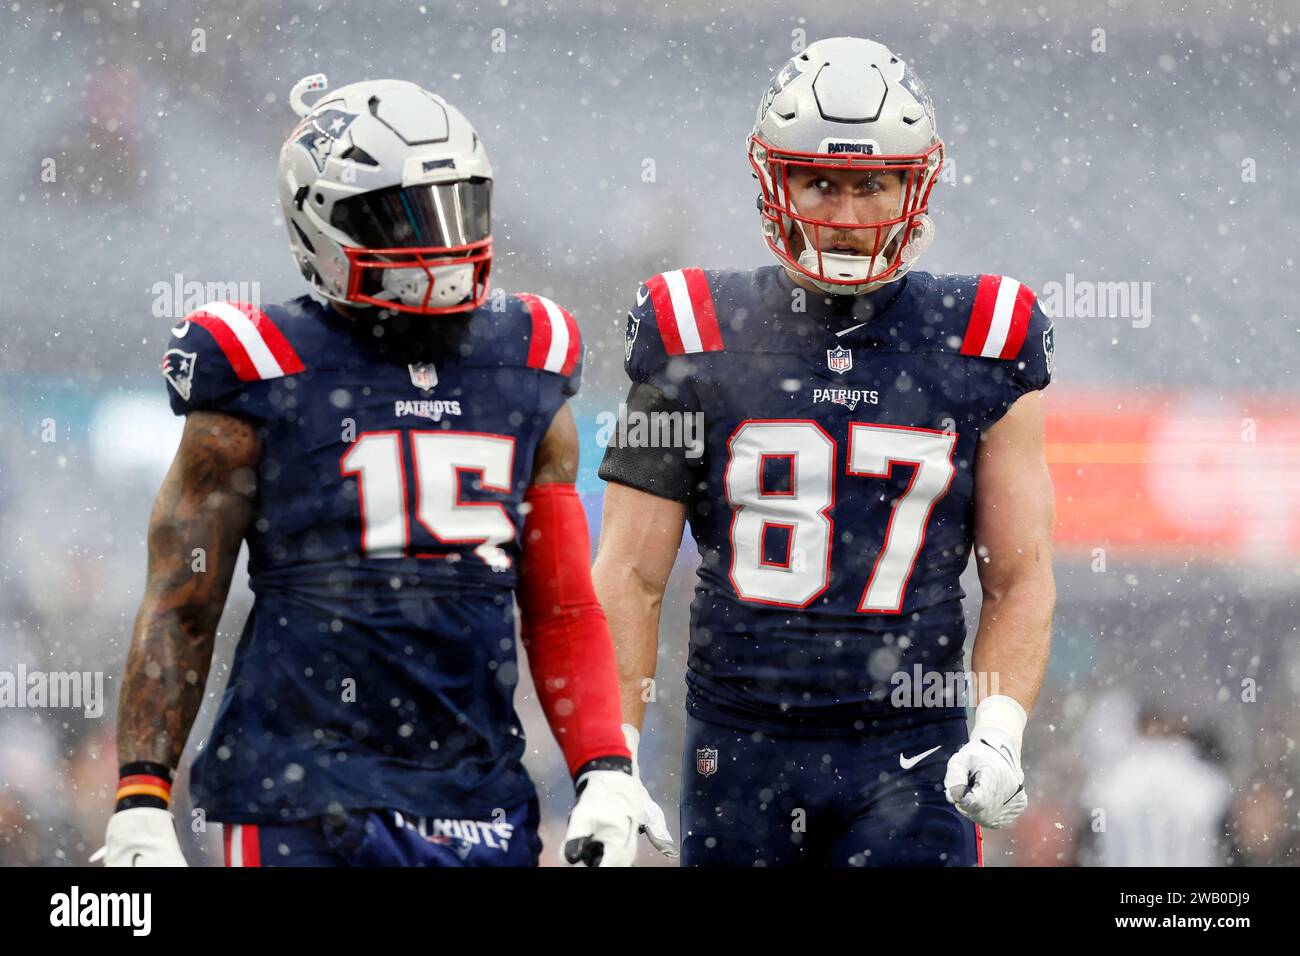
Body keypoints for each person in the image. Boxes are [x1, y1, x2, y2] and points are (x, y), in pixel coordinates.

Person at [94, 75, 636, 867]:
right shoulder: (258, 364)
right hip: (297, 793)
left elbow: (559, 607)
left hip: (475, 794)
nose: (439, 241)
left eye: (455, 207)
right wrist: (141, 797)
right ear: (321, 222)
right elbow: (184, 602)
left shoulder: (530, 357)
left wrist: (604, 766)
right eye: (401, 215)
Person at [593, 36, 1056, 866]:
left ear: (914, 186)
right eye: (820, 182)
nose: (844, 216)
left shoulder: (987, 338)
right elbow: (629, 572)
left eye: (870, 184)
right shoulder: (688, 328)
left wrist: (998, 729)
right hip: (740, 745)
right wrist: (611, 756)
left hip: (913, 746)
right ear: (775, 181)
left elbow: (1019, 576)